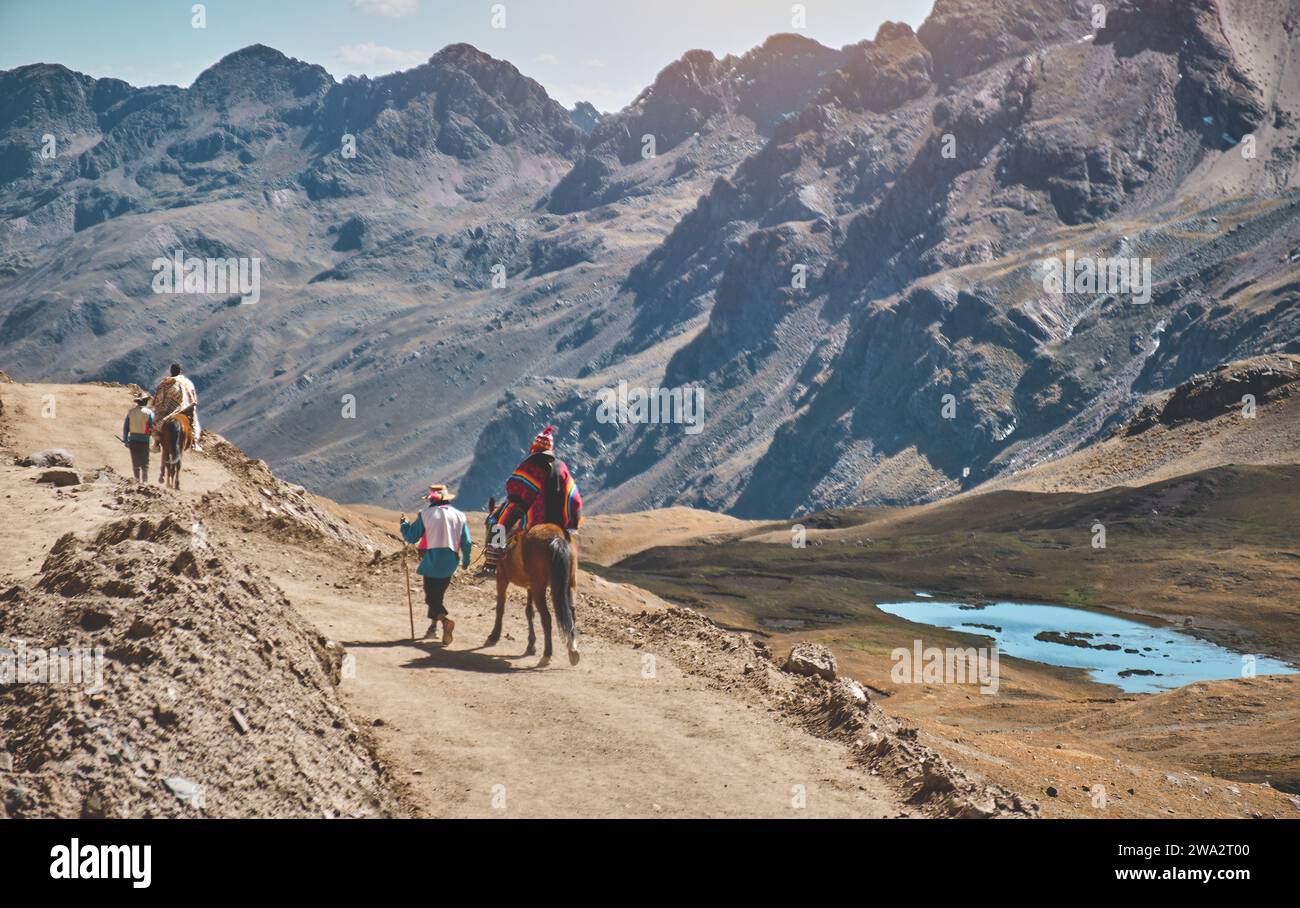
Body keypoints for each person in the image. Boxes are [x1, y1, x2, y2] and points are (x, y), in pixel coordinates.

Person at [399, 484, 472, 643]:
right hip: (451, 562)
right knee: (437, 595)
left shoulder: (425, 514)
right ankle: (433, 629)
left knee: (431, 598)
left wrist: (404, 525)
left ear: (431, 500)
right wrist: (466, 560)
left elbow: (411, 537)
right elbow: (466, 542)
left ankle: (445, 622)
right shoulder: (459, 516)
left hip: (432, 559)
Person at [490, 425, 583, 537]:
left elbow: (512, 488)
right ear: (550, 449)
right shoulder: (561, 467)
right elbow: (574, 497)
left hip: (533, 524)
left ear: (534, 448)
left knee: (507, 513)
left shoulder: (528, 467)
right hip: (561, 526)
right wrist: (572, 524)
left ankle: (495, 546)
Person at [151, 362, 202, 453]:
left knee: (157, 422)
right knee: (194, 422)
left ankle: (156, 444)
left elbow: (159, 399)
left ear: (171, 371)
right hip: (185, 409)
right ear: (180, 371)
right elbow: (193, 400)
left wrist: (159, 407)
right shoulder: (187, 382)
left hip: (167, 411)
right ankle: (195, 443)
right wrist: (190, 404)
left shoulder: (165, 382)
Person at [121, 394, 155, 482]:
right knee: (145, 463)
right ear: (145, 401)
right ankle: (145, 482)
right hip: (145, 440)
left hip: (133, 440)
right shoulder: (149, 413)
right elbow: (153, 427)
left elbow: (126, 427)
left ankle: (136, 481)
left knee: (135, 463)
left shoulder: (131, 412)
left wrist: (125, 440)